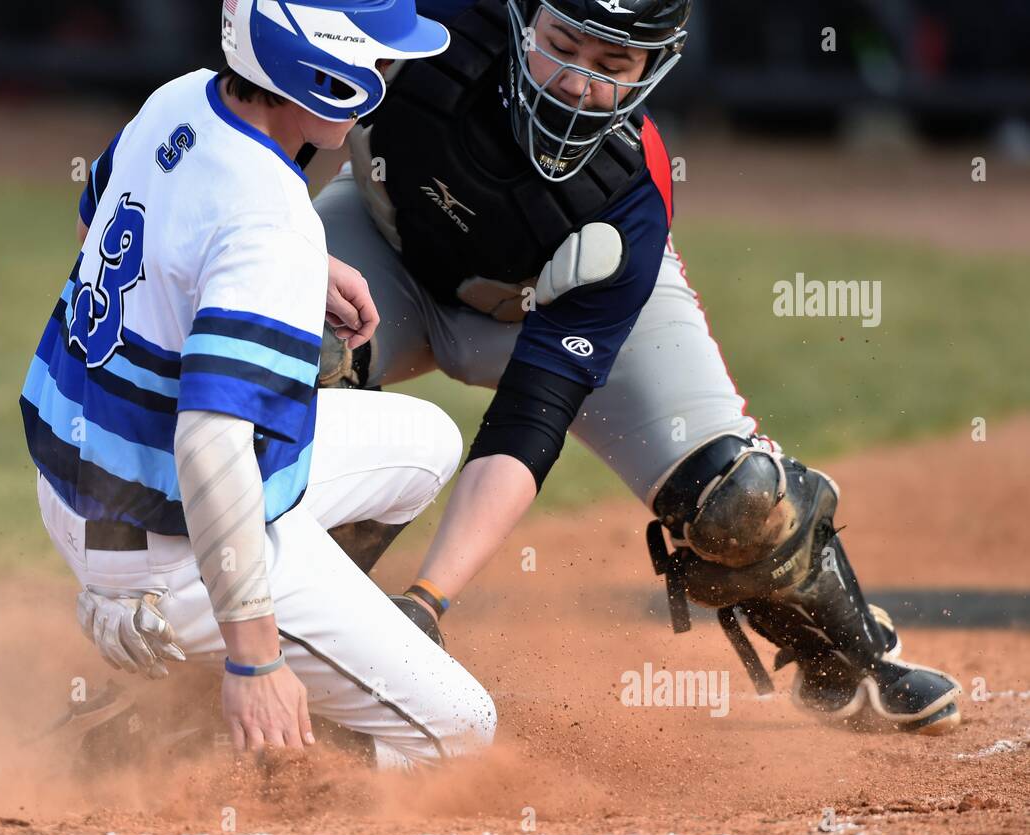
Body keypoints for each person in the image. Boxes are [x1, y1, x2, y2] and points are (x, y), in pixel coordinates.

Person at [307, 0, 961, 734]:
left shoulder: (628, 195)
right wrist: (276, 232)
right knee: (284, 355)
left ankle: (851, 663)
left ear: (655, 67)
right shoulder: (436, 27)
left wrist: (427, 599)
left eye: (614, 65)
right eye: (562, 44)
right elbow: (286, 101)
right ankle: (276, 611)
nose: (578, 83)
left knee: (739, 498)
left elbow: (531, 415)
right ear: (524, 16)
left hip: (540, 312)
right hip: (382, 250)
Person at [22, 0, 496, 769]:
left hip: (82, 490)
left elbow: (98, 234)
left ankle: (233, 621)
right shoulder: (270, 219)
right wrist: (256, 659)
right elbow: (209, 445)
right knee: (467, 733)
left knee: (426, 444)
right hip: (168, 543)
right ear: (322, 70)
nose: (386, 73)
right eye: (374, 58)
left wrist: (298, 268)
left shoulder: (179, 98)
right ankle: (217, 714)